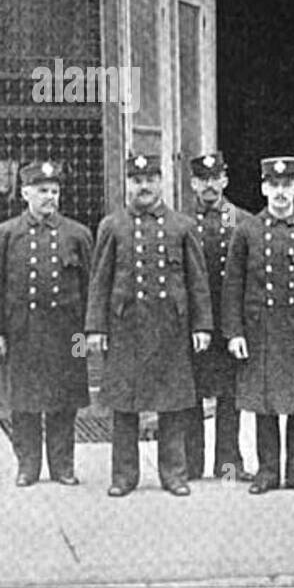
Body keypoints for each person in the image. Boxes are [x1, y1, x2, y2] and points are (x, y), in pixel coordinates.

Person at [85, 153, 213, 498]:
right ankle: (124, 476)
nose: (144, 186)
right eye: (137, 180)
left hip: (171, 329)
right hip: (127, 328)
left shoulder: (182, 226)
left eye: (150, 179)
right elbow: (100, 280)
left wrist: (202, 326)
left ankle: (174, 474)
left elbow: (196, 281)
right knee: (125, 405)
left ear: (161, 182)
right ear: (128, 184)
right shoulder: (112, 226)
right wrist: (96, 328)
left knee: (172, 404)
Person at [222, 156, 294, 495]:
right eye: (274, 186)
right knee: (265, 404)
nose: (281, 193)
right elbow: (233, 286)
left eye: (287, 186)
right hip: (262, 332)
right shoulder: (246, 231)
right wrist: (234, 333)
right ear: (263, 188)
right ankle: (267, 471)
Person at [0, 159, 92, 487]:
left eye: (54, 191)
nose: (49, 197)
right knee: (24, 404)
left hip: (66, 333)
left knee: (64, 401)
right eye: (42, 191)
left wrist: (91, 331)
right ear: (25, 193)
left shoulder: (78, 234)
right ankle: (28, 466)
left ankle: (63, 467)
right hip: (22, 332)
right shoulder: (5, 234)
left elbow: (90, 287)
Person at [184, 152, 252, 482]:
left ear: (225, 181)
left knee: (230, 397)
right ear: (193, 183)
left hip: (230, 323)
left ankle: (228, 465)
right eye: (202, 180)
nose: (209, 186)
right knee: (191, 395)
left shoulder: (243, 221)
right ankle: (191, 465)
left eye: (215, 179)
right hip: (193, 325)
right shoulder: (181, 223)